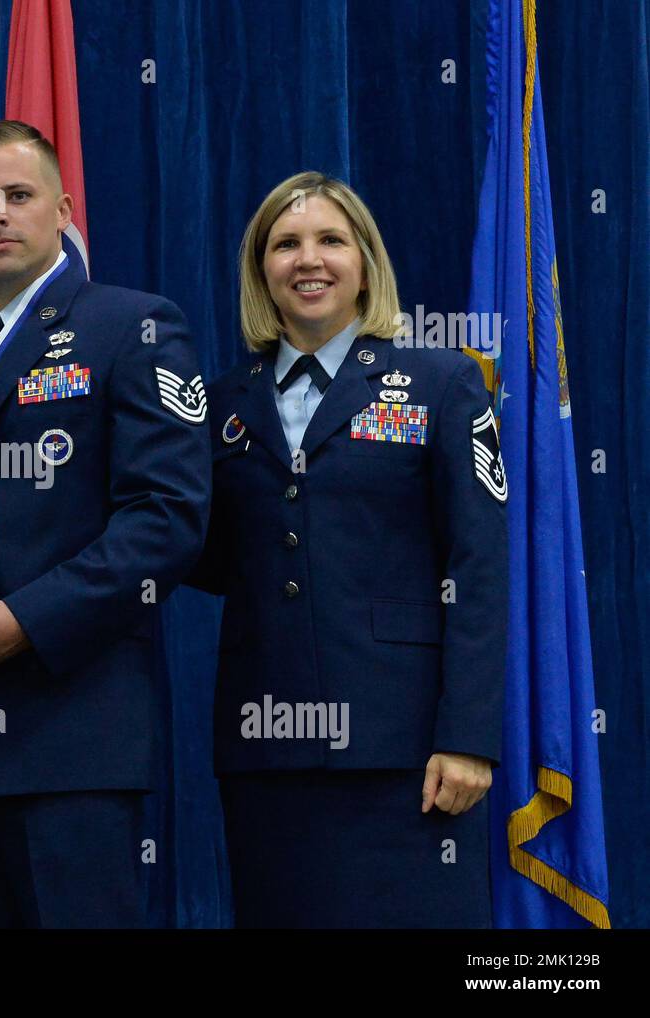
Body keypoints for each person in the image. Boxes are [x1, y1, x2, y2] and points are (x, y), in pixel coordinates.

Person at [0, 120, 211, 928]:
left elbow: (168, 521)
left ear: (62, 209)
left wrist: (28, 619)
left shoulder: (133, 326)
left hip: (73, 736)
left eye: (17, 195)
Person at [191, 171, 507, 927]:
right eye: (286, 243)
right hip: (267, 747)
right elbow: (194, 550)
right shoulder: (223, 402)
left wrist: (467, 739)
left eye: (331, 240)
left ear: (364, 261)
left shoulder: (441, 381)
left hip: (405, 754)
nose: (309, 259)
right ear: (259, 269)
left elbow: (480, 567)